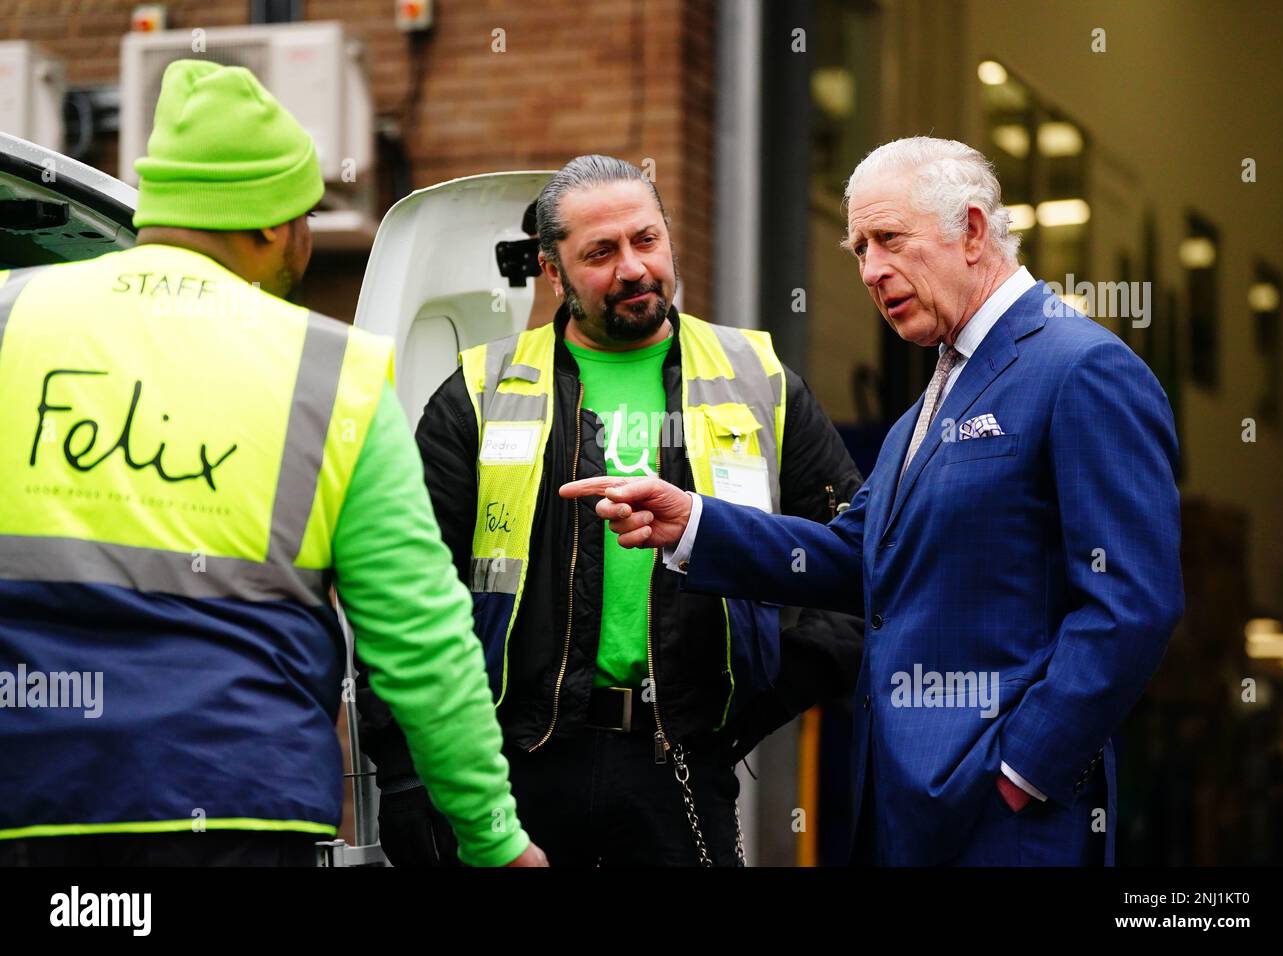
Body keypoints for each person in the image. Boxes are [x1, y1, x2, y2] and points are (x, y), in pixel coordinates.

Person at [562, 136, 1184, 866]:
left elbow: (1131, 604)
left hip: (1009, 822)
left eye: (889, 239)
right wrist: (691, 521)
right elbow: (855, 555)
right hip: (903, 812)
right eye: (858, 248)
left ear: (973, 231)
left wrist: (1021, 770)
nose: (870, 270)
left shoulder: (1082, 367)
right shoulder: (931, 401)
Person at [0, 60, 543, 868]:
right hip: (239, 808)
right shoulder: (335, 372)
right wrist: (492, 836)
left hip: (30, 800)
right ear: (268, 226)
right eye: (305, 216)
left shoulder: (12, 317)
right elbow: (421, 637)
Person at [358, 154, 863, 866]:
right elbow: (400, 593)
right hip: (514, 766)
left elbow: (853, 562)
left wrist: (753, 703)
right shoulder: (480, 388)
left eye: (646, 240)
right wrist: (408, 778)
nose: (632, 268)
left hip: (681, 764)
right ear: (553, 271)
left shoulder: (758, 378)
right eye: (600, 252)